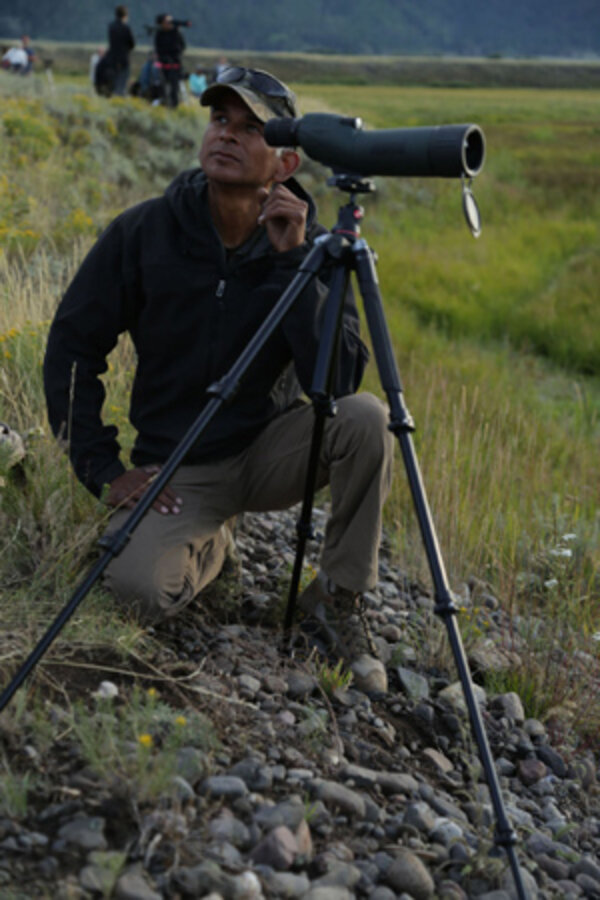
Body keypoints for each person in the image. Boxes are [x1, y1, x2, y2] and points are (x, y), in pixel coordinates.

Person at [43, 67, 394, 694]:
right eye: (219, 121)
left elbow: (337, 379)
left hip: (269, 451)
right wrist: (100, 466)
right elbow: (73, 344)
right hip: (180, 466)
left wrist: (292, 265)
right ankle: (212, 545)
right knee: (136, 593)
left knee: (367, 417)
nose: (227, 136)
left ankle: (337, 598)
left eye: (250, 128)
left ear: (285, 163)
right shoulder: (145, 230)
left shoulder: (311, 247)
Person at [154, 13, 186, 107]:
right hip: (163, 66)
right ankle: (163, 104)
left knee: (174, 90)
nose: (170, 23)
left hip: (175, 65)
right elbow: (158, 49)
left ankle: (174, 106)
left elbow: (182, 46)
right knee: (162, 88)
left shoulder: (176, 33)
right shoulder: (159, 34)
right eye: (167, 21)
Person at [107, 5, 135, 96]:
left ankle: (114, 95)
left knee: (115, 80)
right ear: (125, 15)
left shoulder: (111, 27)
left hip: (113, 58)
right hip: (124, 59)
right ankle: (119, 96)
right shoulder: (126, 27)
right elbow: (132, 44)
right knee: (122, 81)